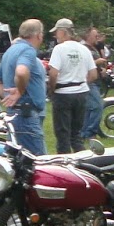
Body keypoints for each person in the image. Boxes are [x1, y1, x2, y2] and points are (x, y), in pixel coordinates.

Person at [0, 19, 48, 155]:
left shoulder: (11, 50)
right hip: (26, 115)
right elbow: (21, 72)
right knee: (38, 164)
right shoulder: (28, 50)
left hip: (14, 114)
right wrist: (19, 92)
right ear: (38, 35)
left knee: (17, 161)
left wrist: (9, 99)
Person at [47, 19, 97, 152]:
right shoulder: (84, 49)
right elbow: (93, 74)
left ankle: (64, 163)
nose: (55, 36)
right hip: (81, 93)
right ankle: (82, 162)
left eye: (57, 32)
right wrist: (82, 83)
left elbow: (53, 74)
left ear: (63, 32)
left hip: (63, 93)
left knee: (63, 134)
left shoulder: (59, 49)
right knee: (76, 134)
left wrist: (52, 89)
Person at [82, 25, 107, 140]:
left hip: (95, 81)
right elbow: (82, 64)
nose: (97, 37)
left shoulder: (92, 48)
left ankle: (83, 133)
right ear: (88, 36)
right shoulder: (83, 48)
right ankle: (91, 132)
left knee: (88, 109)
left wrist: (101, 69)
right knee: (97, 106)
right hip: (89, 81)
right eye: (95, 35)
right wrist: (97, 62)